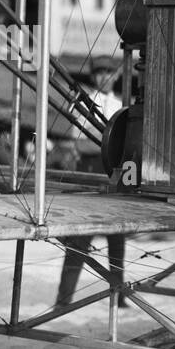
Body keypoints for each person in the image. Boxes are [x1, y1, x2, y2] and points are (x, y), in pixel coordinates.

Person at [56, 64, 127, 307]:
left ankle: (118, 295)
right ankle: (64, 298)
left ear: (115, 75)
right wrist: (109, 146)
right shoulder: (86, 104)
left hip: (113, 174)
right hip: (90, 171)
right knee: (79, 240)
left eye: (108, 72)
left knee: (117, 240)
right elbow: (79, 144)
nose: (103, 77)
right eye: (99, 73)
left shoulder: (120, 104)